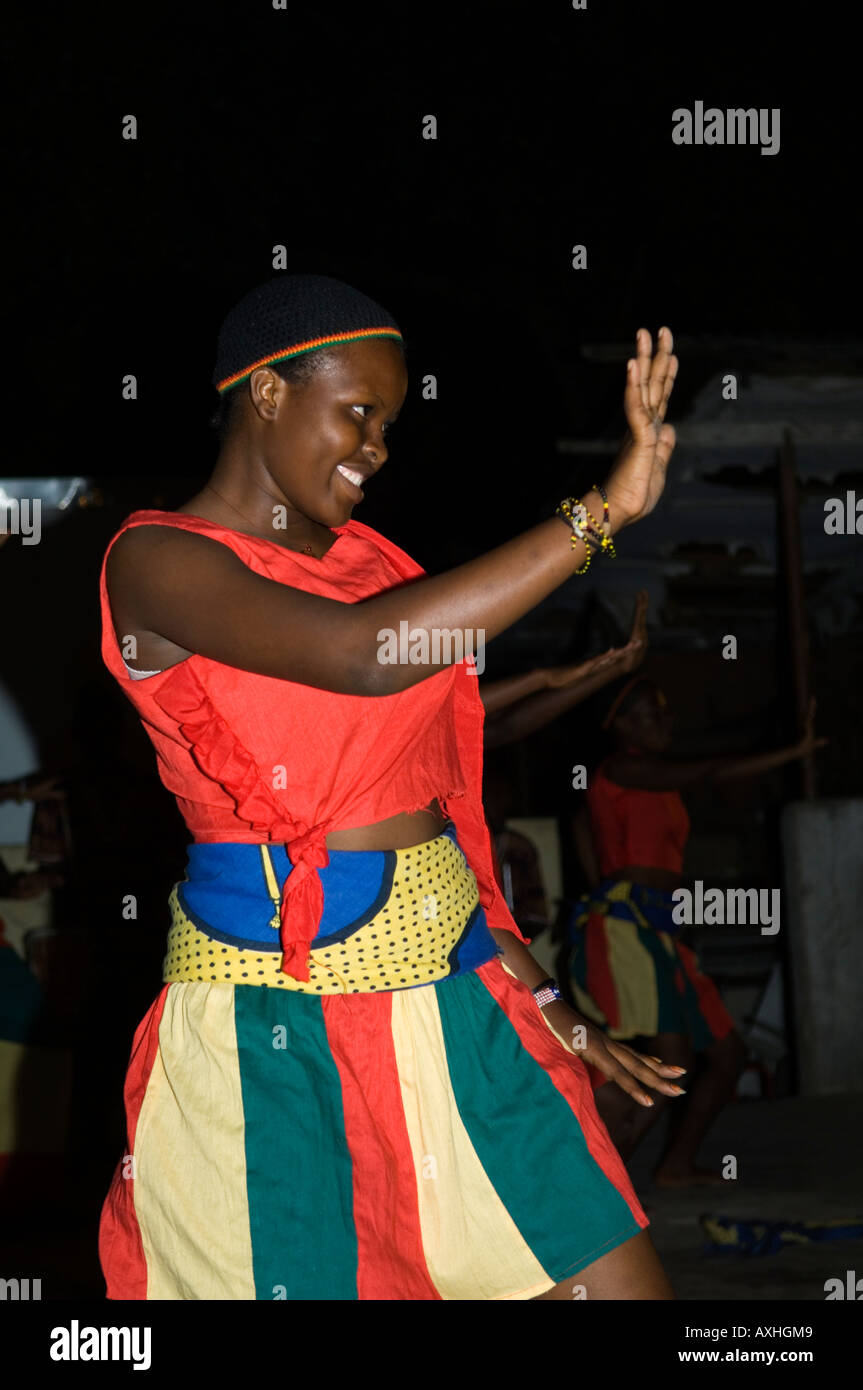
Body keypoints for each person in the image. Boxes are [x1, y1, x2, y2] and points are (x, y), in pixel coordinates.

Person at [98, 273, 684, 1301]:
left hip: (454, 997)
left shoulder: (371, 565)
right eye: (358, 412)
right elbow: (364, 658)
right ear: (267, 392)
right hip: (274, 1034)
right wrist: (600, 514)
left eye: (390, 421)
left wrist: (544, 995)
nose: (377, 446)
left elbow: (424, 792)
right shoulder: (155, 559)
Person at [562, 674, 826, 1187]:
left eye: (666, 712)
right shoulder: (622, 769)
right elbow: (709, 771)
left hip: (661, 931)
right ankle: (603, 1190)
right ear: (620, 724)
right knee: (672, 1061)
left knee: (727, 1055)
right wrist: (791, 753)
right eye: (651, 713)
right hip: (627, 929)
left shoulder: (649, 776)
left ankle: (675, 1165)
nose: (666, 721)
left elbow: (584, 828)